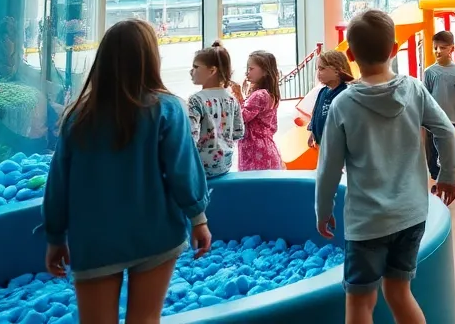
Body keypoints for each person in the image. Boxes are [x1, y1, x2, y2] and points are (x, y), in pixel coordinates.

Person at [43, 20, 211, 322]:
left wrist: (55, 236)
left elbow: (58, 184)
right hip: (156, 232)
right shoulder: (168, 109)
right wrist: (198, 218)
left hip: (95, 241)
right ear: (150, 59)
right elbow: (183, 170)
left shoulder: (78, 118)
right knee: (145, 319)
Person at [316, 9, 455, 324]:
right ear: (394, 49)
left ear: (350, 54)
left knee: (360, 301)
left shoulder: (343, 104)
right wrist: (447, 175)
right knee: (399, 291)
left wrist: (323, 208)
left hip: (367, 222)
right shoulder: (414, 90)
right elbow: (447, 131)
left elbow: (328, 168)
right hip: (411, 216)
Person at [187, 41, 245, 178]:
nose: (191, 71)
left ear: (212, 71)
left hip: (201, 168)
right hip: (225, 165)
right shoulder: (231, 99)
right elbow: (239, 132)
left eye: (195, 67)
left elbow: (190, 136)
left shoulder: (196, 100)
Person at [423, 30, 455, 181]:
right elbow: (426, 95)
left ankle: (447, 174)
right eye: (435, 48)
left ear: (451, 48)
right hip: (435, 117)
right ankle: (436, 175)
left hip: (454, 116)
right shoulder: (430, 72)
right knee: (432, 149)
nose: (438, 51)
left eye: (443, 48)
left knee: (446, 148)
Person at [231, 50, 285, 171]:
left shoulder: (260, 95)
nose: (247, 72)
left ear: (265, 71)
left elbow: (242, 117)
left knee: (253, 187)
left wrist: (238, 96)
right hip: (264, 148)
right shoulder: (269, 94)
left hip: (256, 152)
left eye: (251, 69)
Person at [308, 50, 355, 149]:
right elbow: (316, 113)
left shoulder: (346, 93)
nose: (318, 73)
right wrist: (312, 132)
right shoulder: (322, 92)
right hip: (322, 145)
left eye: (321, 69)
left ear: (337, 71)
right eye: (317, 69)